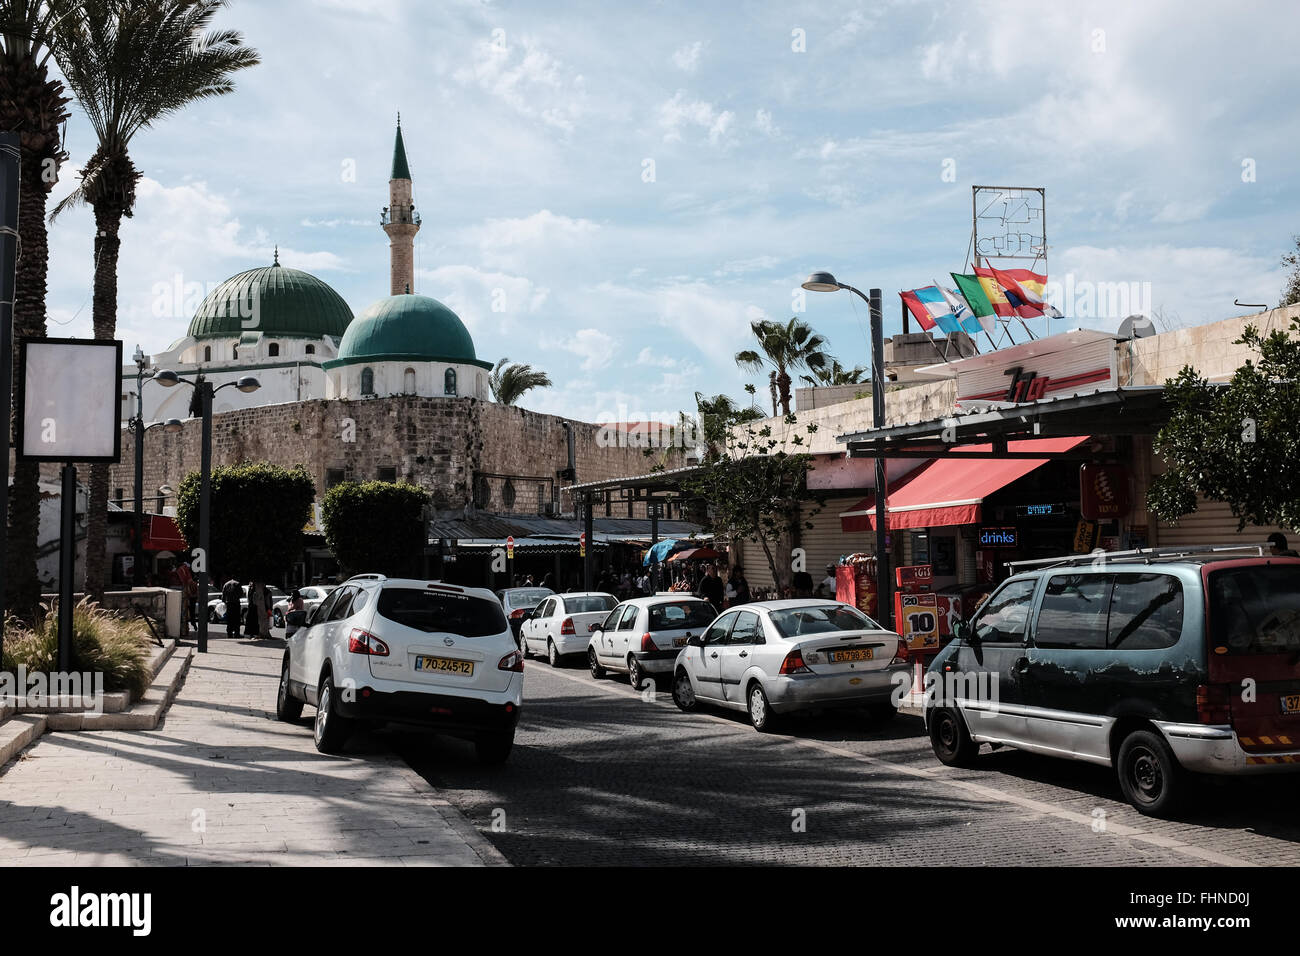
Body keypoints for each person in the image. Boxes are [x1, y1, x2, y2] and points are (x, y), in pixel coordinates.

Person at [221, 574, 243, 640]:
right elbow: (241, 593)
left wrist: (225, 601)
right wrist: (236, 597)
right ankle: (236, 633)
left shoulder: (226, 584)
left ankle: (229, 633)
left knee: (229, 619)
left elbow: (223, 595)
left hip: (229, 603)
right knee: (236, 618)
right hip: (236, 603)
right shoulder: (237, 584)